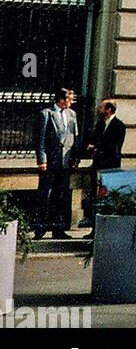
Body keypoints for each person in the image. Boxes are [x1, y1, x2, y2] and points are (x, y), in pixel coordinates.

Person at [35, 88, 79, 240]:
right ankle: (40, 229)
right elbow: (40, 140)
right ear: (61, 100)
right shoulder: (46, 114)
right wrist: (42, 160)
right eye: (69, 99)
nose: (72, 101)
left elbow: (74, 137)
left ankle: (58, 229)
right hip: (50, 161)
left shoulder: (72, 114)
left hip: (65, 162)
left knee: (61, 195)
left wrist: (75, 158)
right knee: (45, 195)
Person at [83, 100, 126, 227]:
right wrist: (91, 146)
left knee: (107, 197)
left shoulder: (119, 125)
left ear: (109, 109)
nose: (99, 109)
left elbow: (115, 146)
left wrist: (97, 148)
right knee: (95, 196)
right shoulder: (100, 124)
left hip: (110, 166)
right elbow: (93, 139)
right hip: (98, 165)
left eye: (101, 107)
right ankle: (94, 226)